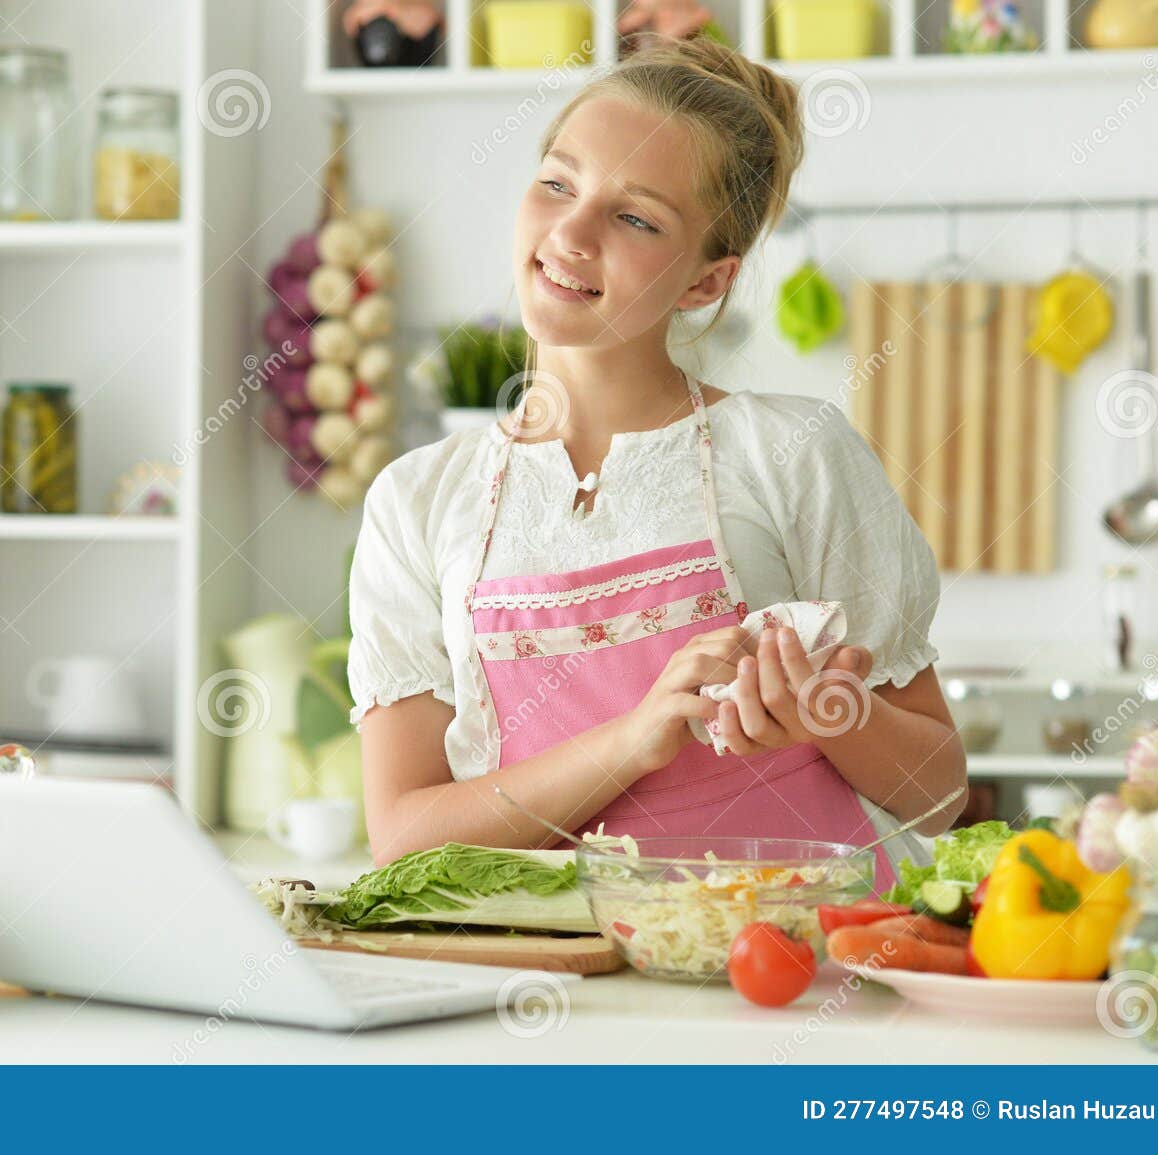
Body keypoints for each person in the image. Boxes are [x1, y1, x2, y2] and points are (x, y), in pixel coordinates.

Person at [345, 35, 966, 888]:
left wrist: (827, 712)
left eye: (635, 217)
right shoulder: (416, 500)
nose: (570, 232)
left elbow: (939, 792)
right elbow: (406, 839)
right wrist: (630, 743)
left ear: (706, 282)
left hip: (796, 968)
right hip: (546, 976)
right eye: (557, 183)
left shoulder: (793, 453)